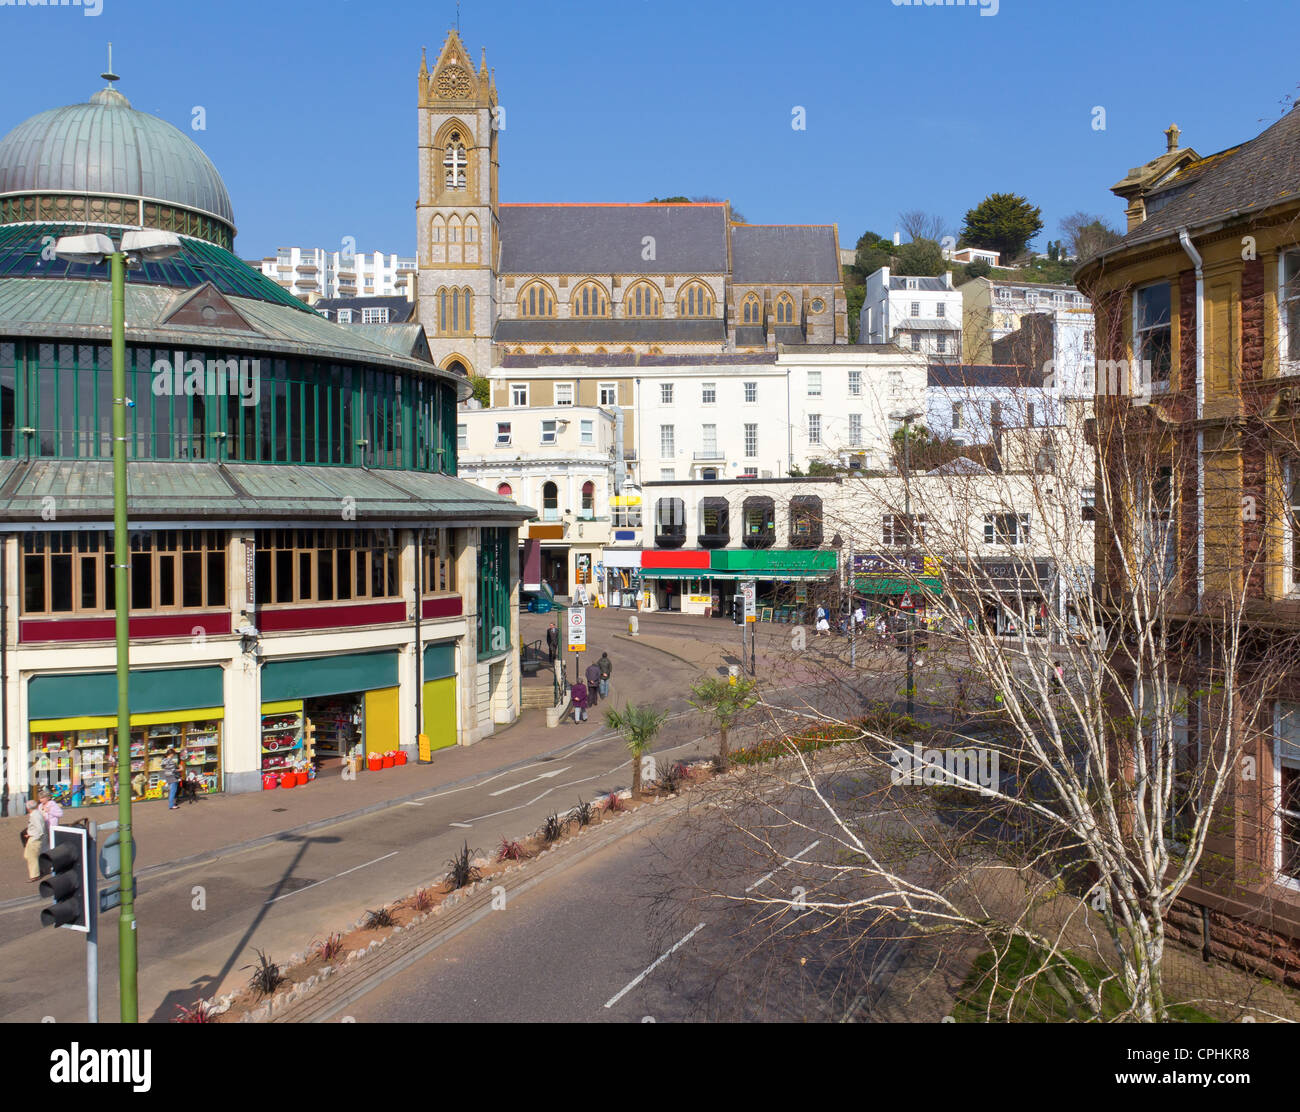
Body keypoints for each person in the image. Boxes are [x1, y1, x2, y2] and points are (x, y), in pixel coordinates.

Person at [22, 799, 46, 882]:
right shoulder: (35, 814)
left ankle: (34, 876)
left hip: (34, 839)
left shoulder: (35, 815)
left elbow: (40, 830)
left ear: (28, 808)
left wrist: (34, 837)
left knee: (32, 857)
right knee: (27, 855)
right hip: (32, 837)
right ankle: (37, 871)